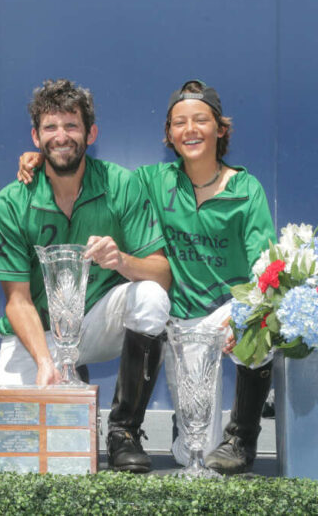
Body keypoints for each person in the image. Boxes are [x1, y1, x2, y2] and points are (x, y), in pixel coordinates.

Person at [0, 79, 172, 473]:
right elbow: (16, 299)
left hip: (97, 321)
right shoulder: (11, 201)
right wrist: (43, 361)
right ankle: (64, 374)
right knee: (17, 453)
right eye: (51, 127)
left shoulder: (122, 184)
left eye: (71, 126)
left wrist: (122, 260)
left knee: (151, 299)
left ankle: (123, 431)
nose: (61, 136)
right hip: (40, 334)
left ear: (91, 133)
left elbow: (162, 273)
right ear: (36, 136)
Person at [137, 80, 276, 474]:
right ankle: (204, 439)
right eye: (179, 122)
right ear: (169, 134)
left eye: (201, 120)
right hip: (184, 323)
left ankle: (243, 438)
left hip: (233, 310)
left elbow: (266, 270)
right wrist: (38, 160)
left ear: (221, 129)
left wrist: (246, 313)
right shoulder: (153, 181)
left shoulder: (246, 189)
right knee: (196, 453)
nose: (190, 129)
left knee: (263, 324)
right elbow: (94, 179)